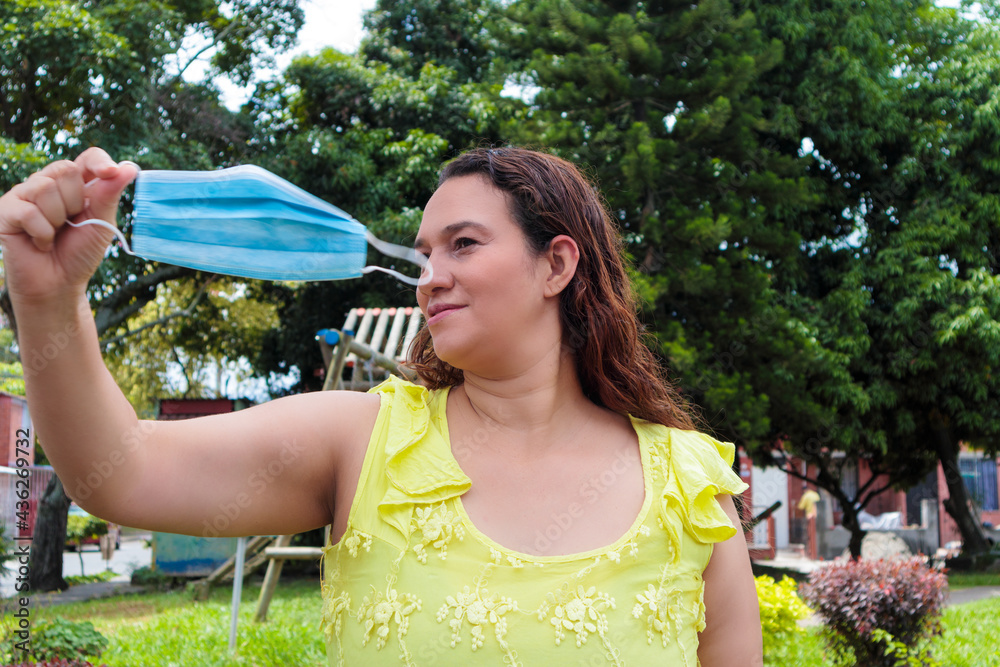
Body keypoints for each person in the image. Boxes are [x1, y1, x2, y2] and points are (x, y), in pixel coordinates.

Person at [0, 146, 763, 665]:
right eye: (425, 253)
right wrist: (48, 298)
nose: (430, 274)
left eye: (463, 244)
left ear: (557, 263)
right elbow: (120, 471)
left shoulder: (689, 486)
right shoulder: (361, 437)